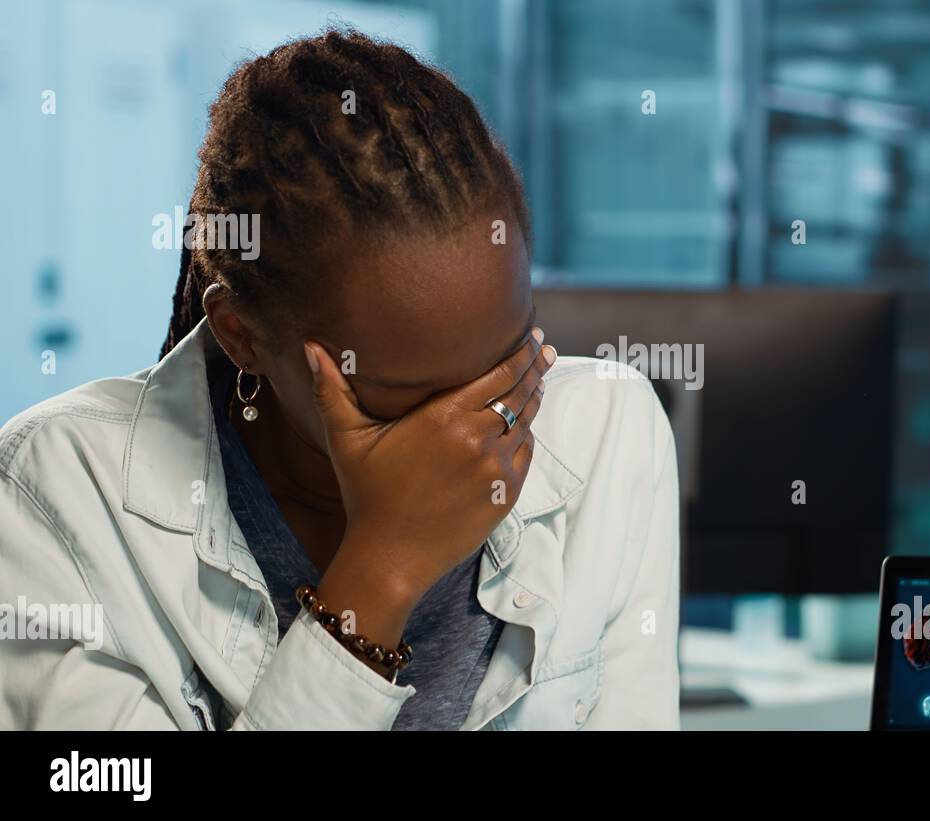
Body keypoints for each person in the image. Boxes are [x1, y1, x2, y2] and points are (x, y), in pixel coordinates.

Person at [0, 29, 679, 730]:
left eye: (511, 362)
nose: (480, 434)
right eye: (413, 398)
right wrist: (382, 570)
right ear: (243, 336)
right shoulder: (56, 493)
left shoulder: (607, 433)